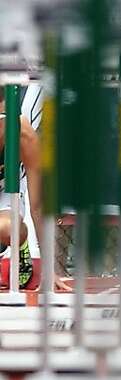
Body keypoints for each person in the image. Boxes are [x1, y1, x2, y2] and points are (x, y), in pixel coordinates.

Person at [0, 92, 40, 290]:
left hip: (7, 191)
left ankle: (20, 247)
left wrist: (50, 269)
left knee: (8, 228)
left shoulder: (24, 133)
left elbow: (38, 207)